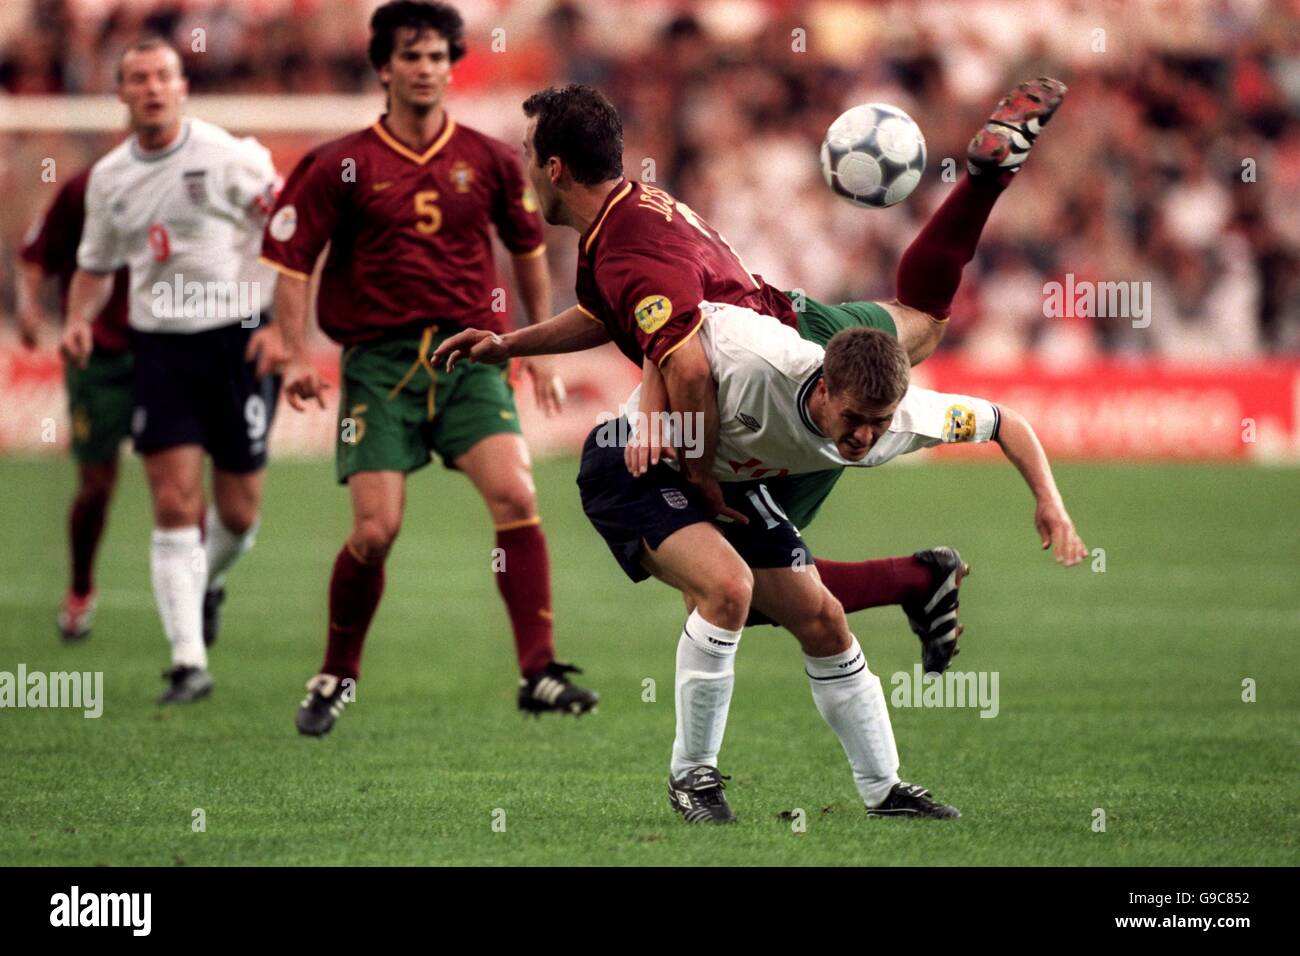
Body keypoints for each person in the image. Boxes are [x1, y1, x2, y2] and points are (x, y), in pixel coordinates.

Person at [434, 79, 1081, 821]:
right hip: (739, 373)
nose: (871, 436)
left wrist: (692, 455)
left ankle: (884, 784)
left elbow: (682, 355)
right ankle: (695, 778)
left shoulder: (631, 248)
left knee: (788, 608)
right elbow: (659, 338)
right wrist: (516, 348)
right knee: (729, 587)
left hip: (766, 360)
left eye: (525, 154)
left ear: (552, 167)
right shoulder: (634, 221)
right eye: (862, 421)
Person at [258, 1, 597, 736]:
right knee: (377, 531)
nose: (425, 68)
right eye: (411, 56)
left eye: (438, 56)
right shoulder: (339, 162)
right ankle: (336, 673)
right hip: (379, 366)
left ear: (451, 66)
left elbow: (527, 248)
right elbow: (290, 261)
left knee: (514, 492)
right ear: (385, 67)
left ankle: (537, 670)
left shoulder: (491, 158)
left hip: (470, 354)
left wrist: (531, 351)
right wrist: (291, 356)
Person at [61, 37, 281, 703]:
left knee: (239, 514)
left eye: (163, 76)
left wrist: (278, 325)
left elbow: (288, 235)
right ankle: (187, 661)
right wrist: (77, 318)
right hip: (159, 348)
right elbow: (96, 267)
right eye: (139, 78)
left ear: (182, 87)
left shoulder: (229, 157)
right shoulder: (109, 180)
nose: (152, 88)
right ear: (122, 93)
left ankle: (209, 580)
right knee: (174, 500)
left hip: (239, 341)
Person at [18, 168, 132, 641]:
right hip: (97, 357)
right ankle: (81, 587)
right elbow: (35, 252)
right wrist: (29, 305)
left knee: (180, 485)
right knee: (96, 487)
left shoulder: (191, 176)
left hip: (168, 354)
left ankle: (199, 599)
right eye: (138, 85)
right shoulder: (88, 186)